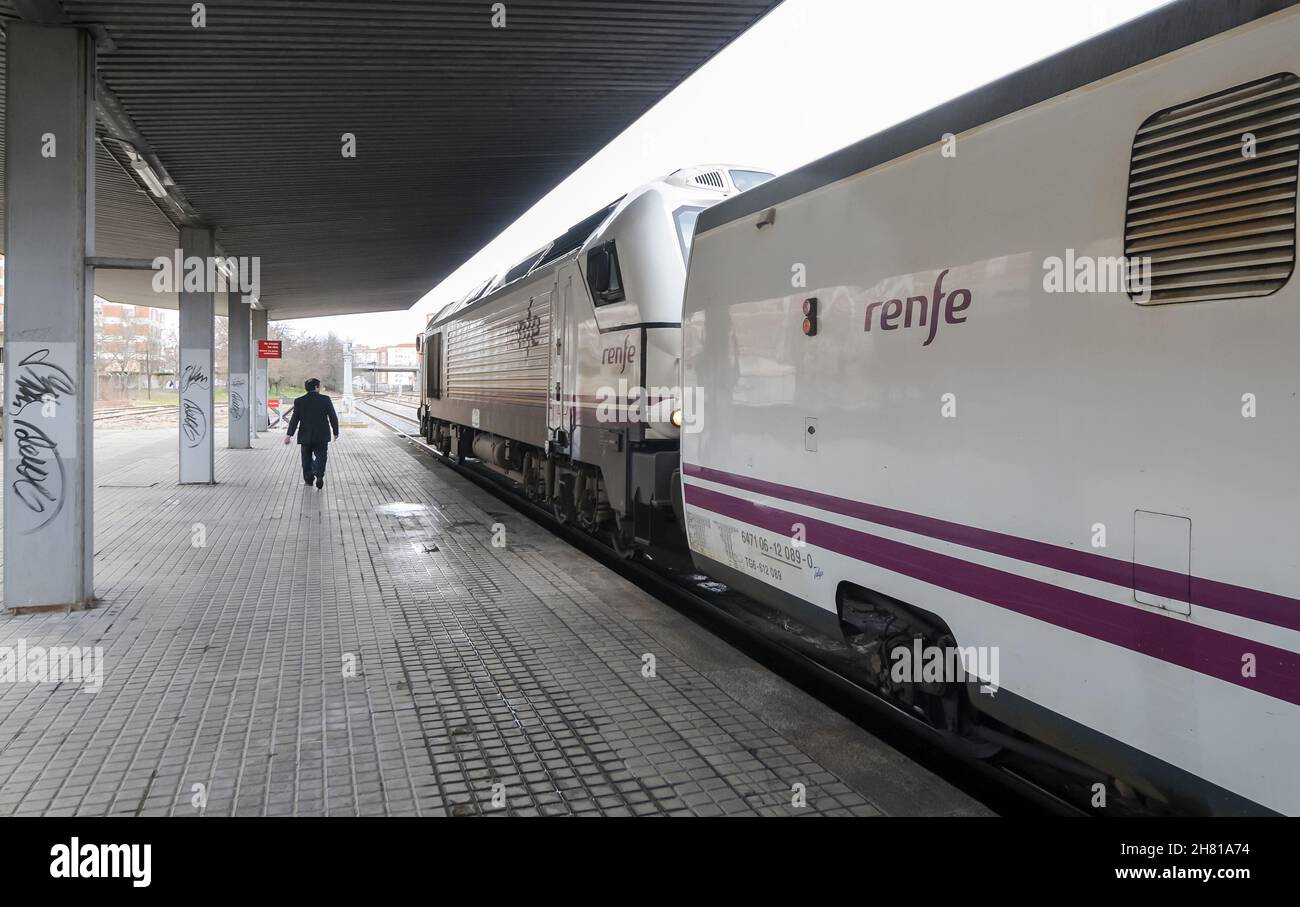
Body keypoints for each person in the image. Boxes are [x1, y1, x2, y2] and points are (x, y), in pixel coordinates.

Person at [284, 377, 339, 488]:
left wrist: (289, 435)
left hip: (305, 435)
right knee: (321, 456)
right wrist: (335, 431)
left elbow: (295, 419)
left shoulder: (299, 401)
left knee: (306, 458)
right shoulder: (325, 399)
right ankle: (319, 475)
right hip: (322, 435)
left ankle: (309, 480)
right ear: (316, 387)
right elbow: (333, 416)